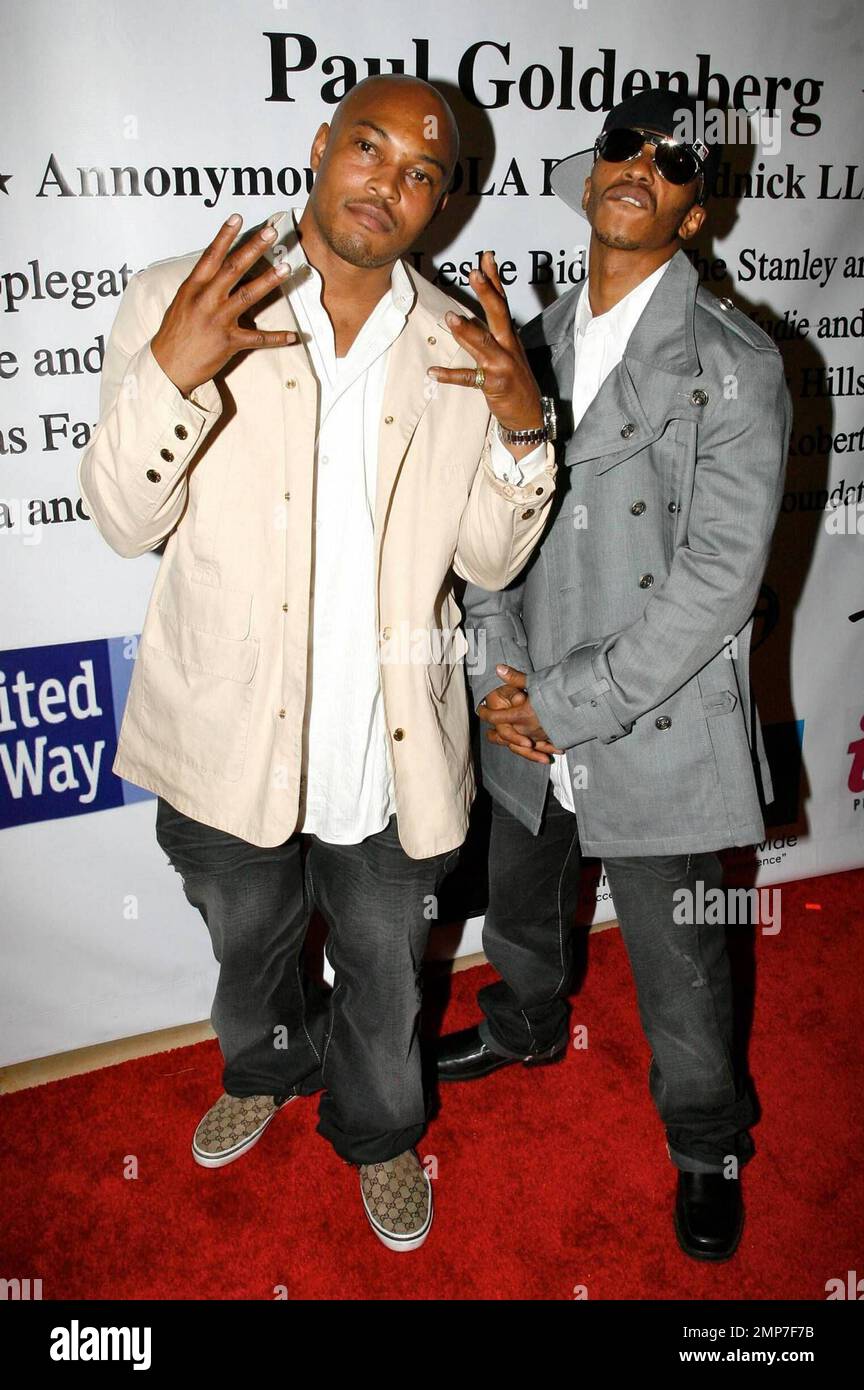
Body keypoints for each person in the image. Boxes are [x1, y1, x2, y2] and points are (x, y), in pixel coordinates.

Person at [78, 73, 557, 1252]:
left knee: (387, 977)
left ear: (442, 204)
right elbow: (121, 520)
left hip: (387, 751)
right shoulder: (179, 299)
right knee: (247, 945)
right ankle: (262, 1061)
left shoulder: (457, 341)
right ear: (318, 143)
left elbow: (491, 556)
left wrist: (523, 430)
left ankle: (381, 1132)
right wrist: (174, 374)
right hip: (225, 735)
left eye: (420, 175)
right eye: (368, 148)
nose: (385, 185)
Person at [436, 89, 792, 1261]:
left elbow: (716, 584)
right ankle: (529, 1023)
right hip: (524, 696)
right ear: (590, 181)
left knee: (681, 961)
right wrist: (502, 675)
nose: (647, 162)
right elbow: (484, 533)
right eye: (625, 144)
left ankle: (705, 1142)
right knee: (525, 902)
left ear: (695, 213)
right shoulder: (523, 348)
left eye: (678, 160)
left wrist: (568, 701)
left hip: (654, 714)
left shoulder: (737, 364)